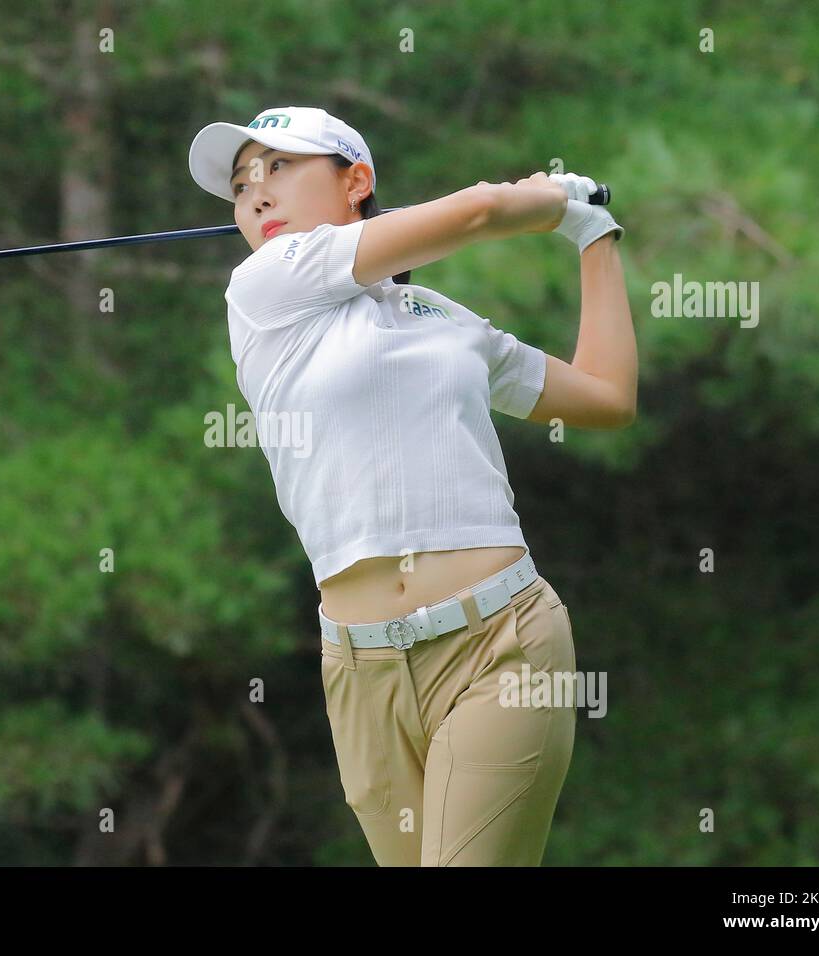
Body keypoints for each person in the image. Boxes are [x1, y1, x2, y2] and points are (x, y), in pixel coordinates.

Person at [188, 105, 636, 865]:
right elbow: (483, 210)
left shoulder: (440, 318)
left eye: (279, 168)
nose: (255, 195)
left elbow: (605, 397)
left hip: (501, 645)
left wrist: (591, 235)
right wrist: (553, 198)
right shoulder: (265, 287)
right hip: (361, 673)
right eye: (241, 185)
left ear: (356, 181)